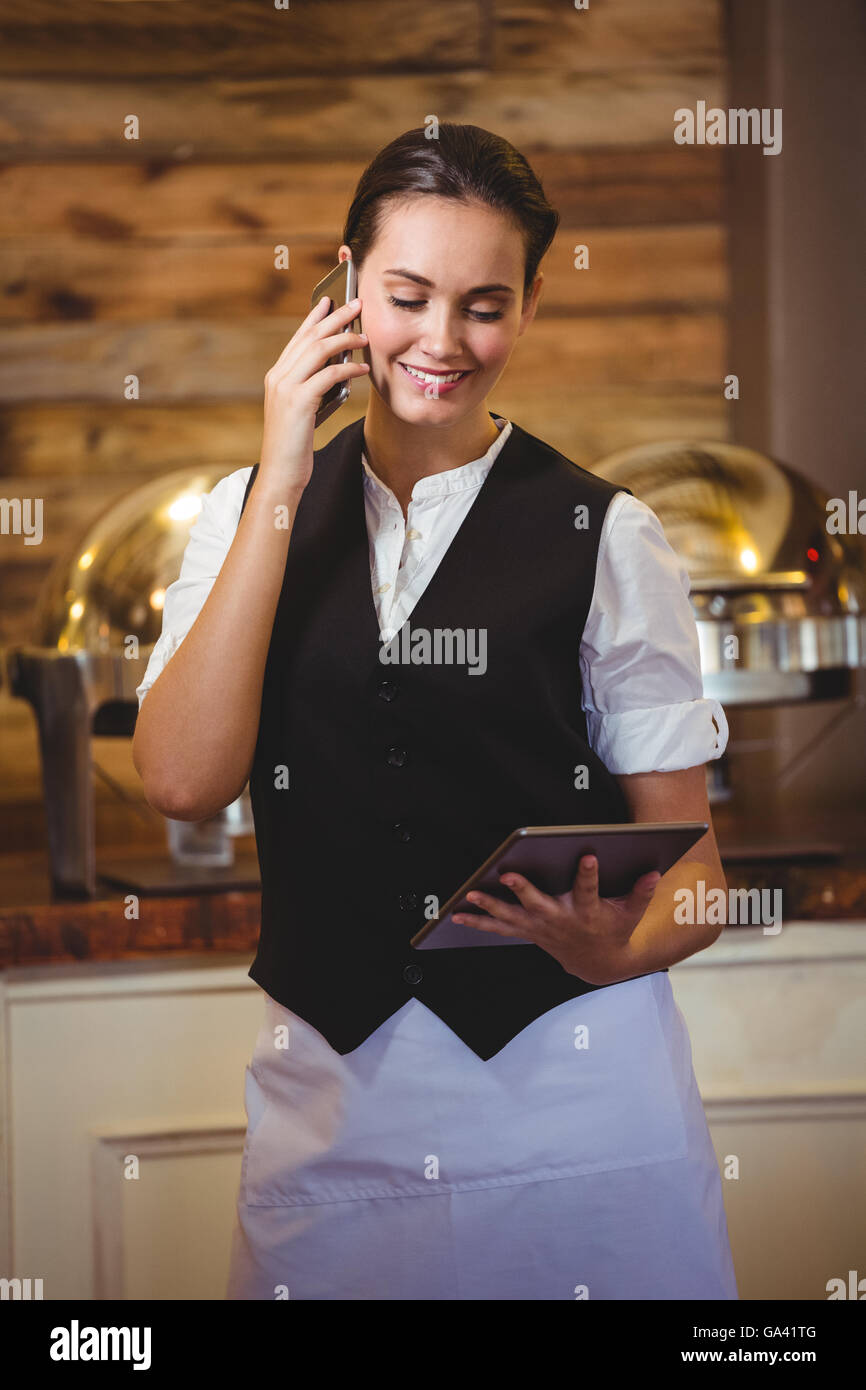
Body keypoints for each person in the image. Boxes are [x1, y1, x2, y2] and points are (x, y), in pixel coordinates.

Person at [133, 123, 738, 1301]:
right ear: (343, 283)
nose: (442, 341)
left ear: (528, 306)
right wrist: (281, 475)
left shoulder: (607, 535)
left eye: (484, 304)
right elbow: (180, 779)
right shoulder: (243, 511)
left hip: (577, 1102)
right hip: (334, 1106)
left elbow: (703, 872)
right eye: (406, 296)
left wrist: (619, 940)